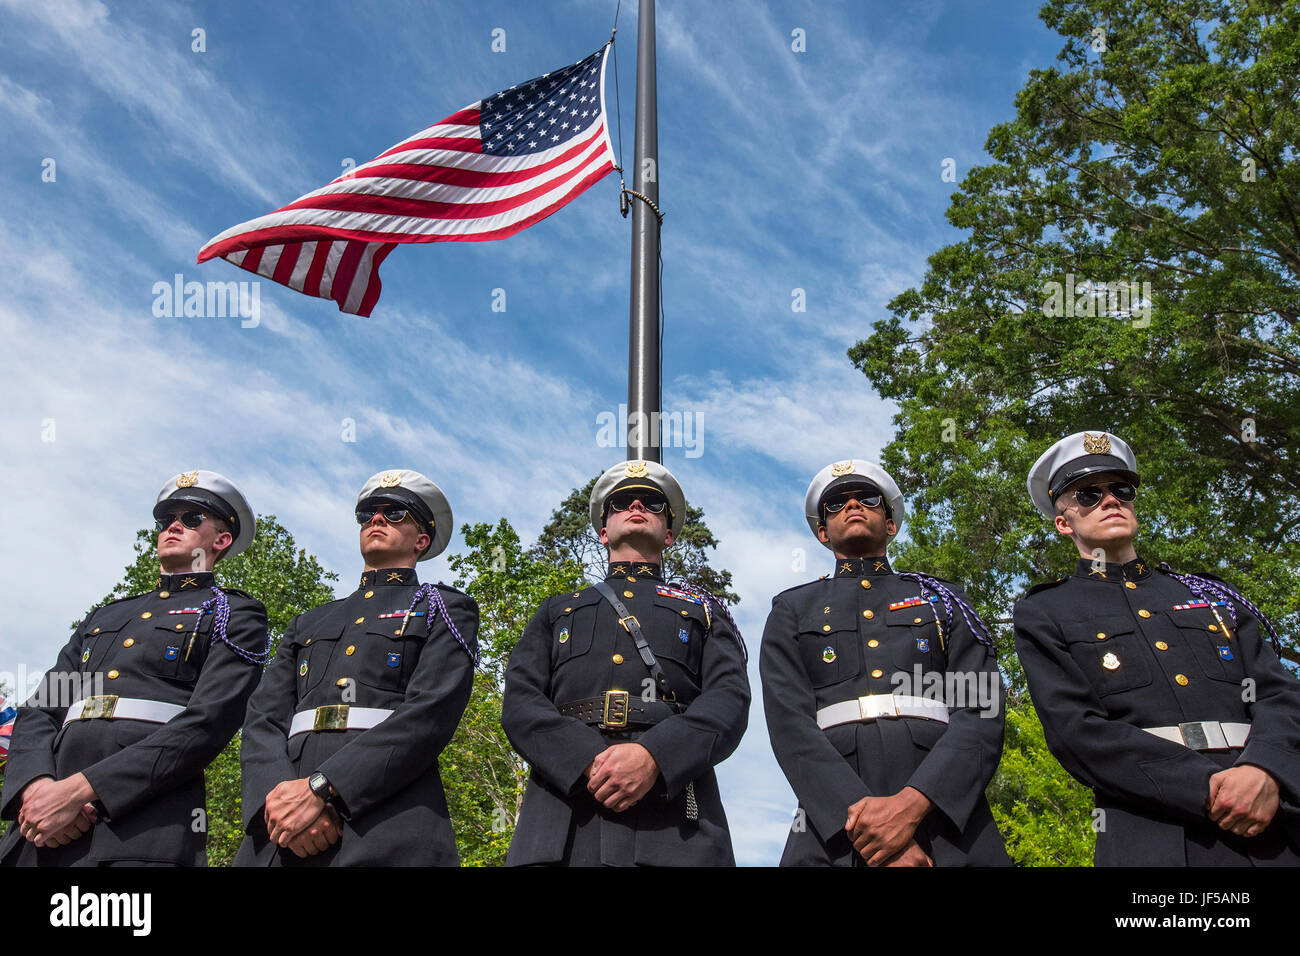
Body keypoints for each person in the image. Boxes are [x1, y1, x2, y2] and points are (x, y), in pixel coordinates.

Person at [1014, 431, 1300, 865]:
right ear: (1064, 522)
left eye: (1121, 490)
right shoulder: (1046, 612)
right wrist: (1207, 788)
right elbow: (1077, 733)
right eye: (1089, 494)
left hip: (1272, 820)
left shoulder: (1212, 595)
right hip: (1153, 833)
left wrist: (1265, 769)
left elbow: (1280, 693)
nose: (1110, 500)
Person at [0, 470, 268, 866]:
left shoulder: (235, 613)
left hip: (138, 829)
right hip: (38, 829)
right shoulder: (105, 615)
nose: (173, 526)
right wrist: (36, 787)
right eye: (166, 520)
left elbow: (206, 724)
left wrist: (80, 791)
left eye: (191, 519)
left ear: (221, 540)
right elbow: (41, 708)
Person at [761, 460, 1010, 866]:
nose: (853, 504)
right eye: (837, 503)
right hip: (836, 823)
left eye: (868, 498)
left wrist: (911, 808)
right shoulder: (793, 609)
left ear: (890, 524)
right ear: (823, 532)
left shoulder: (943, 600)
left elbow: (981, 710)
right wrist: (873, 829)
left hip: (945, 811)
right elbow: (790, 727)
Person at [502, 460, 749, 865]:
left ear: (669, 534)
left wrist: (655, 756)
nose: (636, 505)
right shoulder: (557, 610)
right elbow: (520, 702)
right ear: (603, 531)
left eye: (652, 503)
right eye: (620, 503)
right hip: (564, 822)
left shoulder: (703, 611)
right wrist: (583, 758)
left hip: (672, 825)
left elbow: (730, 701)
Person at [235, 469, 477, 866]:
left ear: (421, 539)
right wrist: (278, 801)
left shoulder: (444, 609)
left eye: (395, 513)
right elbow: (262, 718)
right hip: (281, 828)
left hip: (384, 821)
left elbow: (429, 714)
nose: (376, 520)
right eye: (368, 514)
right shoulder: (310, 621)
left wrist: (324, 789)